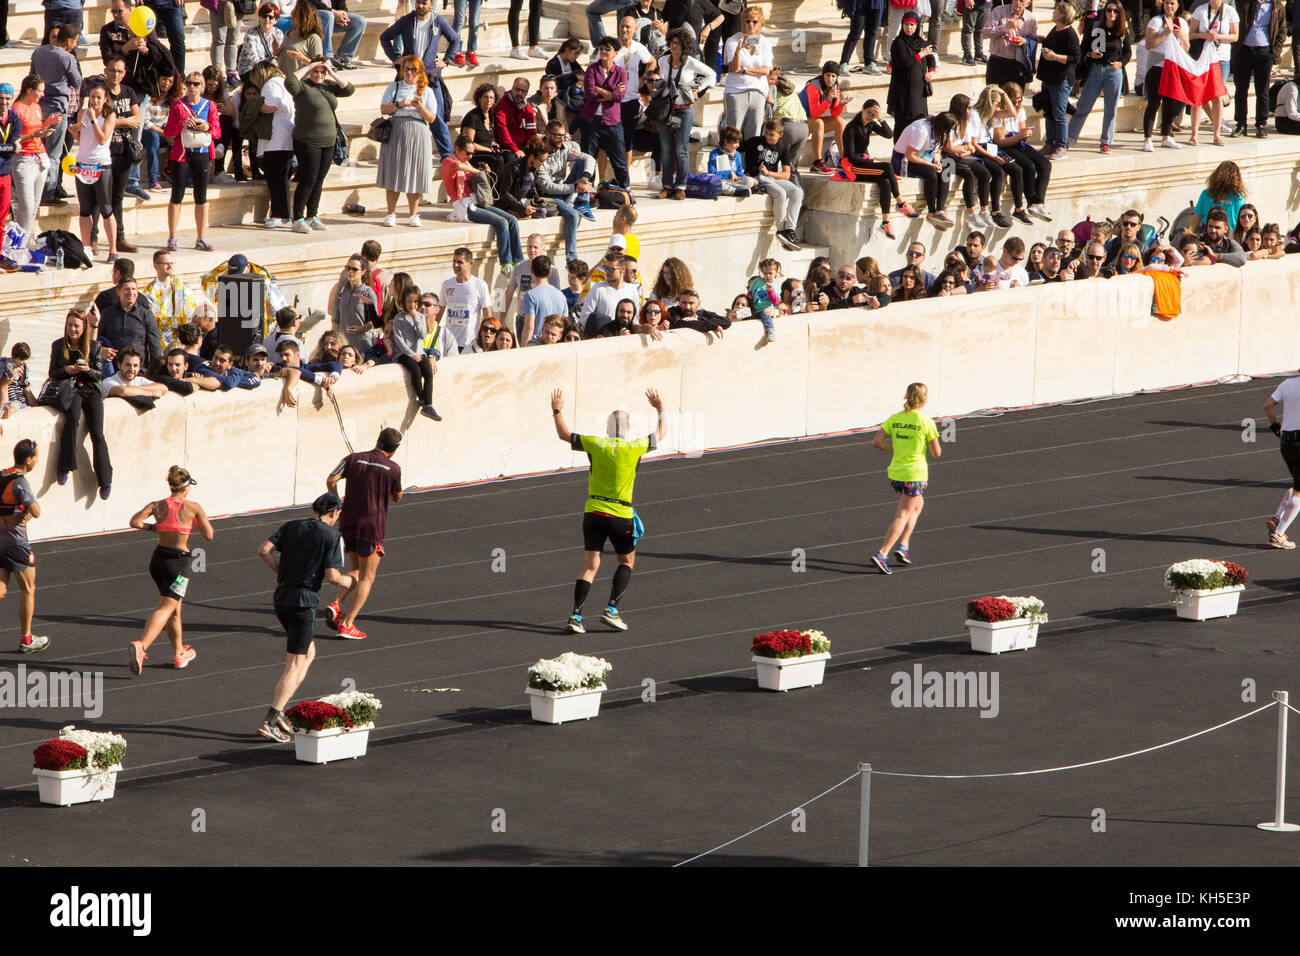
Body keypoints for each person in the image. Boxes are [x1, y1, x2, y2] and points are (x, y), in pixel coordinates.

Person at [551, 386, 665, 633]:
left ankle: (575, 616)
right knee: (627, 560)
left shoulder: (596, 444)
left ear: (607, 427)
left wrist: (557, 410)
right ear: (627, 428)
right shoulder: (635, 447)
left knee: (590, 565)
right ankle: (612, 609)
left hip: (593, 511)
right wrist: (660, 409)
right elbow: (661, 432)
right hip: (620, 514)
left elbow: (564, 434)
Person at [254, 492, 354, 742]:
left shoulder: (292, 526)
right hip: (304, 602)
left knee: (308, 653)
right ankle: (271, 718)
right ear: (334, 512)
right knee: (294, 664)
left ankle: (279, 712)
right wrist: (349, 581)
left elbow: (264, 550)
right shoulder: (332, 536)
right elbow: (332, 576)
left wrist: (282, 573)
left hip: (282, 597)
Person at [126, 466, 215, 675]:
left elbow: (134, 522)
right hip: (179, 564)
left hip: (158, 560)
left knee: (175, 608)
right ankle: (142, 646)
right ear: (186, 487)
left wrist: (152, 527)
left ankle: (179, 653)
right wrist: (193, 520)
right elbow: (209, 535)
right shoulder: (193, 507)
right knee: (166, 608)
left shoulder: (156, 505)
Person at [324, 427, 404, 640]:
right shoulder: (393, 468)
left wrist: (336, 500)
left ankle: (337, 604)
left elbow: (331, 480)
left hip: (348, 523)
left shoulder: (353, 458)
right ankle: (347, 624)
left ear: (378, 440)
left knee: (357, 570)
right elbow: (397, 496)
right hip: (371, 527)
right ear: (394, 449)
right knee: (368, 577)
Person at [871, 382, 941, 574]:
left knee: (918, 505)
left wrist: (894, 448)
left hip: (896, 473)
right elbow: (937, 453)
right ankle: (882, 554)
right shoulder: (926, 422)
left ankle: (904, 544)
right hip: (915, 474)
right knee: (902, 515)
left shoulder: (895, 418)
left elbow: (877, 442)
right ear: (924, 399)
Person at [44, 309, 112, 496]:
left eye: (76, 326)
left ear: (84, 328)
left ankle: (105, 480)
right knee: (72, 420)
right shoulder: (58, 345)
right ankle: (64, 467)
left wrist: (87, 369)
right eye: (69, 325)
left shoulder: (94, 347)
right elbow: (53, 372)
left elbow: (99, 374)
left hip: (90, 390)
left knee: (97, 433)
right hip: (71, 389)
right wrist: (67, 369)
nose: (72, 329)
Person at [378, 0, 457, 160]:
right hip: (408, 75)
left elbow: (455, 39)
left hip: (430, 77)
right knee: (403, 112)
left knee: (437, 116)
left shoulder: (438, 21)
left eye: (424, 3)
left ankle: (446, 156)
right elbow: (385, 37)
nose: (420, 6)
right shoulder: (407, 20)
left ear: (431, 4)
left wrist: (446, 60)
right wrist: (395, 58)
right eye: (418, 2)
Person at [285, 58, 352, 233]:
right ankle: (298, 218)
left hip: (328, 141)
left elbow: (349, 89)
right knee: (308, 178)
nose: (319, 75)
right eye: (316, 71)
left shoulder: (328, 85)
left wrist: (330, 72)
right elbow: (290, 81)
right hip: (307, 140)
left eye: (322, 72)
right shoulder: (303, 87)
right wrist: (309, 66)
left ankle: (312, 215)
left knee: (319, 180)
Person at [442, 135, 524, 276]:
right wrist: (477, 171)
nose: (470, 156)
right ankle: (506, 264)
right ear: (457, 149)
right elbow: (457, 166)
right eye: (467, 153)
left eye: (472, 153)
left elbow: (475, 180)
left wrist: (484, 173)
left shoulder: (468, 165)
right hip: (465, 206)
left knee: (512, 220)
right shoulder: (447, 161)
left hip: (477, 202)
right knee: (502, 223)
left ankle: (518, 260)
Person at [654, 27, 715, 200]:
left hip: (685, 111)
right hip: (667, 110)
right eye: (672, 42)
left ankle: (680, 186)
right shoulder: (663, 61)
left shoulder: (690, 62)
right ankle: (666, 186)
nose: (674, 46)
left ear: (684, 46)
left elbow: (711, 74)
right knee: (666, 149)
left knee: (681, 149)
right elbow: (662, 79)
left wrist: (696, 89)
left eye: (678, 43)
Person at [378, 56, 439, 228]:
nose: (410, 73)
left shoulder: (427, 91)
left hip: (418, 131)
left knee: (415, 174)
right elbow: (383, 108)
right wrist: (400, 104)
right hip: (397, 129)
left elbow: (432, 118)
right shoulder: (395, 86)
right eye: (407, 69)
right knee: (393, 172)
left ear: (420, 73)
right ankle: (391, 213)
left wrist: (420, 107)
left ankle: (413, 214)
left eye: (414, 70)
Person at [163, 71, 219, 251]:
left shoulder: (209, 106)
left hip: (201, 152)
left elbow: (218, 132)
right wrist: (181, 125)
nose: (192, 87)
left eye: (196, 84)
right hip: (182, 153)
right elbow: (168, 132)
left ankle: (201, 237)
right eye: (189, 83)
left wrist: (207, 127)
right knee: (176, 195)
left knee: (201, 197)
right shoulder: (178, 106)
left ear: (202, 87)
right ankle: (172, 236)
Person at [0, 439, 46, 654]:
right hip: (16, 543)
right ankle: (27, 639)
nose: (37, 459)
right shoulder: (20, 482)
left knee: (0, 590)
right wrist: (28, 507)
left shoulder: (2, 475)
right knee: (28, 589)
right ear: (28, 459)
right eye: (36, 456)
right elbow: (36, 511)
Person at [1068, 0, 1130, 153]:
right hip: (1095, 69)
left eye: (1116, 11)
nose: (1112, 14)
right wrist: (1089, 54)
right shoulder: (1094, 27)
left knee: (1110, 109)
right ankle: (1069, 138)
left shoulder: (1122, 31)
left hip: (1113, 71)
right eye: (1109, 10)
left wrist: (1121, 63)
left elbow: (1128, 52)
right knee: (1083, 106)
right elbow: (1083, 48)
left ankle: (1105, 141)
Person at [71, 79, 118, 264]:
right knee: (84, 209)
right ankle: (86, 246)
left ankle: (113, 249)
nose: (95, 101)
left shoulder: (109, 115)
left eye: (98, 98)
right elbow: (80, 139)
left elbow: (101, 139)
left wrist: (92, 120)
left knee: (106, 208)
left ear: (105, 99)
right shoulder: (82, 112)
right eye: (92, 97)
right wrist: (74, 131)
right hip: (83, 164)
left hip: (101, 164)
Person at [12, 75, 60, 248]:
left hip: (40, 158)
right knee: (26, 206)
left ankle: (22, 244)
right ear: (29, 90)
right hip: (23, 159)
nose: (42, 94)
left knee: (33, 208)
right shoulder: (17, 109)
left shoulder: (37, 107)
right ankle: (17, 245)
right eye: (39, 91)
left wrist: (48, 124)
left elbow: (37, 130)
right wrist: (34, 135)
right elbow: (14, 140)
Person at [992, 82, 1052, 221]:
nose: (1016, 104)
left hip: (1018, 143)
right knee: (1028, 166)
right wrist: (1019, 136)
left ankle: (1038, 201)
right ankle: (1031, 201)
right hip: (1005, 146)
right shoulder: (998, 114)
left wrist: (1025, 134)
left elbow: (1021, 130)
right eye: (1013, 101)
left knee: (1045, 165)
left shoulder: (1020, 110)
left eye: (1018, 101)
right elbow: (999, 140)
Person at [742, 118, 803, 250]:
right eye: (766, 133)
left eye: (772, 134)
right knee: (780, 193)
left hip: (771, 177)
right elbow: (736, 147)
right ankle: (781, 230)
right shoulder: (755, 141)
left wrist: (769, 173)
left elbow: (786, 175)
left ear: (780, 134)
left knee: (798, 192)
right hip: (758, 177)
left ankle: (790, 230)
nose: (768, 137)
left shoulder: (783, 146)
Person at [579, 37, 631, 191]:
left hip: (612, 121)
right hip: (591, 120)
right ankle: (587, 194)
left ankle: (626, 190)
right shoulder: (592, 69)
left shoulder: (620, 71)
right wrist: (611, 93)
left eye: (607, 49)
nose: (603, 51)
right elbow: (589, 93)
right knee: (588, 158)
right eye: (601, 48)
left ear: (615, 52)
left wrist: (600, 89)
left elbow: (620, 97)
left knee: (619, 159)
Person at [891, 111, 956, 229]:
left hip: (925, 157)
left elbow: (938, 150)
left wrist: (937, 162)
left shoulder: (943, 132)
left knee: (946, 169)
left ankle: (940, 211)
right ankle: (931, 213)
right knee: (930, 174)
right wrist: (930, 165)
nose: (950, 132)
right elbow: (910, 155)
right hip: (904, 160)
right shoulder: (921, 131)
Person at [1229, 0, 1285, 138]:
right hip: (1244, 49)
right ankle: (1241, 124)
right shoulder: (1246, 3)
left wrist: (1275, 52)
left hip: (1264, 50)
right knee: (1241, 89)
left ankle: (1261, 124)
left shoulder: (1277, 6)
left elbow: (1282, 30)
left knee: (1262, 90)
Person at [1140, 0, 1189, 151]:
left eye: (1172, 3)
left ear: (1177, 5)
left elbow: (1186, 47)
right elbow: (1149, 44)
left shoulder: (1181, 22)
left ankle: (1166, 136)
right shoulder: (1156, 21)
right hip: (1157, 66)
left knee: (1170, 103)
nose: (1169, 6)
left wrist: (1180, 34)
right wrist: (1165, 33)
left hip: (1173, 66)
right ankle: (1147, 139)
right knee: (1154, 103)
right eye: (1167, 3)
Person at [390, 285, 442, 421]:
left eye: (415, 302)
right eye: (409, 302)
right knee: (416, 372)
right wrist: (410, 354)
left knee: (428, 373)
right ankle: (423, 400)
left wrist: (415, 318)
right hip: (404, 354)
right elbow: (399, 340)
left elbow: (422, 334)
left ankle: (429, 404)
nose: (412, 305)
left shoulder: (420, 317)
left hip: (419, 352)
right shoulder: (399, 318)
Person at [1037, 2, 1079, 159]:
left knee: (1059, 113)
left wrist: (1054, 57)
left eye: (1056, 11)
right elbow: (1051, 44)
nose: (1053, 12)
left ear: (1062, 14)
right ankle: (1050, 144)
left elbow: (1075, 57)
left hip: (1061, 79)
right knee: (1049, 112)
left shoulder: (1070, 34)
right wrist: (1042, 40)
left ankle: (1061, 146)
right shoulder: (1055, 29)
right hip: (1049, 77)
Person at [723, 9, 772, 141]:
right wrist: (739, 49)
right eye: (747, 21)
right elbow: (733, 68)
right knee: (733, 134)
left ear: (760, 23)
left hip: (758, 91)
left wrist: (744, 70)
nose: (751, 24)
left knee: (754, 136)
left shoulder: (764, 42)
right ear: (743, 23)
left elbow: (766, 70)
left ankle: (750, 162)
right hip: (736, 91)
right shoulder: (732, 41)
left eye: (755, 22)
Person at [1264, 372, 1300, 548]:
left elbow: (1268, 405)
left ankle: (1278, 517)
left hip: (1287, 442)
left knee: (1297, 482)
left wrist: (1276, 428)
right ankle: (1279, 534)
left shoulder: (1287, 384)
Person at [887, 13, 935, 140]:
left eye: (912, 25)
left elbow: (931, 59)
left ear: (917, 26)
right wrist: (921, 54)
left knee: (919, 122)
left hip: (918, 91)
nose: (909, 28)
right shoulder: (898, 43)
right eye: (906, 24)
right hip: (903, 90)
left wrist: (931, 71)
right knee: (902, 125)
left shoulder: (920, 42)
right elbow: (905, 63)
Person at [983, 0, 1037, 86]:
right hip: (998, 62)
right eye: (1016, 0)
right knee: (994, 97)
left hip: (1018, 64)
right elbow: (985, 33)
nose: (1018, 3)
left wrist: (1024, 41)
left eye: (1022, 1)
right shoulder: (998, 11)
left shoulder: (1031, 18)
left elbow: (1033, 39)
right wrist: (1005, 27)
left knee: (1015, 97)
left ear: (1028, 4)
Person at [1190, 159, 1246, 231]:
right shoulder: (1206, 194)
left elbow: (1195, 220)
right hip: (1208, 232)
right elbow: (1196, 219)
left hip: (1227, 234)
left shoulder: (1238, 198)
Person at [840, 0, 887, 75]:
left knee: (872, 33)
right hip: (860, 3)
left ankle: (869, 63)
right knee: (855, 33)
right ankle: (844, 63)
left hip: (877, 3)